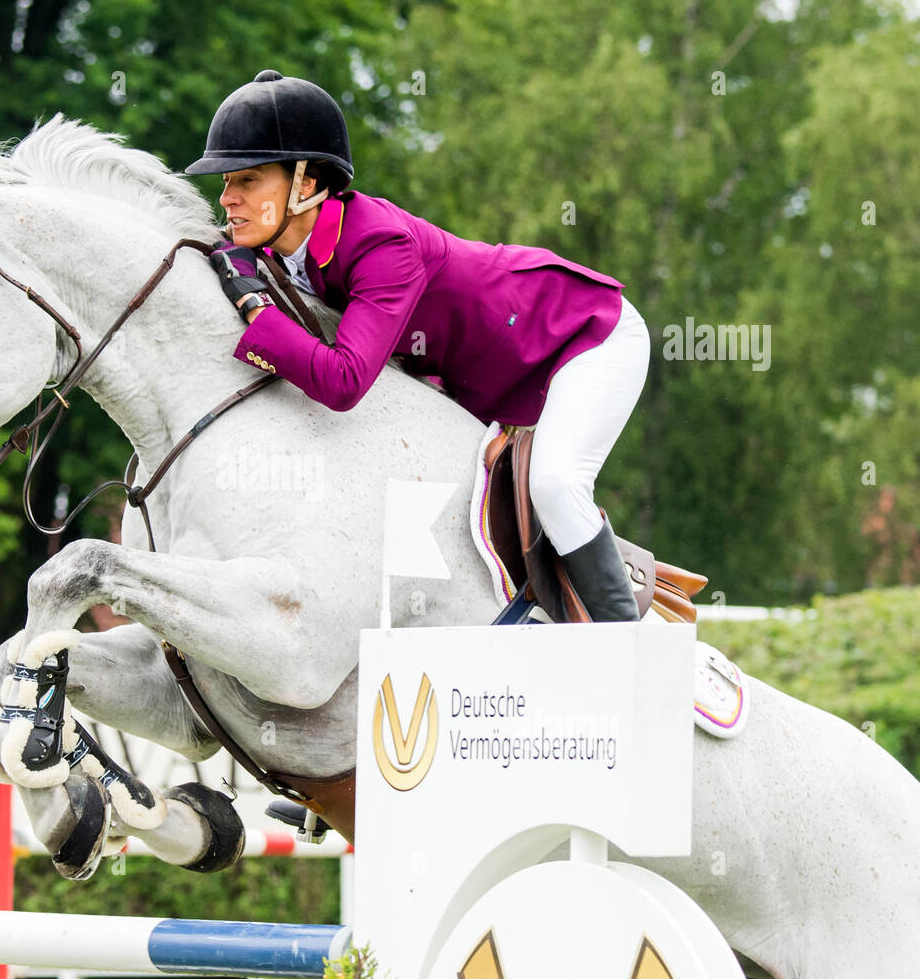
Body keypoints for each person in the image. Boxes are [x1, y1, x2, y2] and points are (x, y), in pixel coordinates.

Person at [185, 70, 649, 622]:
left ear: (305, 185)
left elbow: (343, 383)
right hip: (483, 375)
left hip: (581, 334)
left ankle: (626, 650)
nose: (227, 198)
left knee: (555, 483)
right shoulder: (277, 247)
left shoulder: (383, 243)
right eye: (226, 182)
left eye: (247, 181)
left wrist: (255, 308)